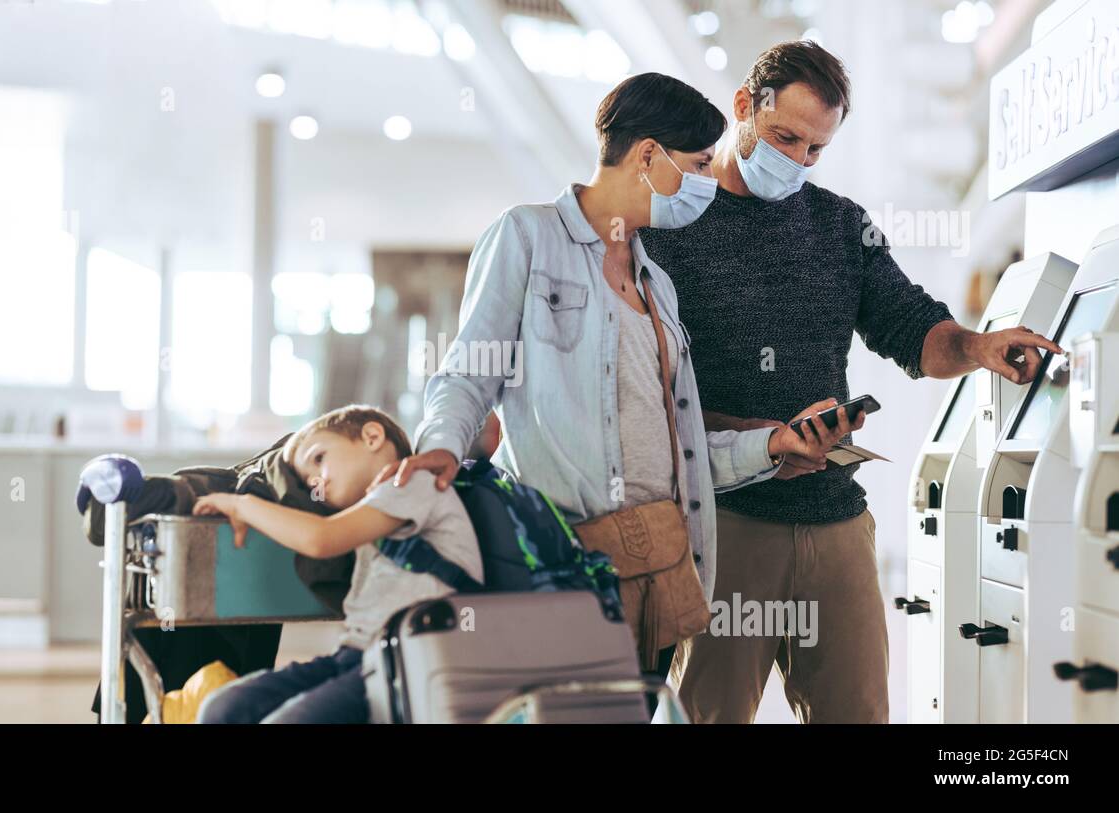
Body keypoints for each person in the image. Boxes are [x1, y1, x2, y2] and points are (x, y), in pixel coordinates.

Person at [377, 72, 860, 677]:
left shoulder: (658, 283)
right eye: (701, 164)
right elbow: (470, 373)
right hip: (558, 560)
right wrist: (439, 448)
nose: (711, 182)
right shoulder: (527, 237)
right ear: (650, 156)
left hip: (652, 570)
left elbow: (674, 448)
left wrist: (773, 446)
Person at [639, 40, 1064, 723]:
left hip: (835, 524)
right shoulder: (668, 230)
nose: (800, 160)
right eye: (786, 138)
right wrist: (768, 439)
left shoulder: (839, 225)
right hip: (725, 530)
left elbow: (911, 328)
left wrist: (979, 346)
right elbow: (652, 402)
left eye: (816, 149)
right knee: (705, 717)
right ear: (745, 106)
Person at [191, 404, 482, 724]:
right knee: (223, 709)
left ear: (372, 436)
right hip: (356, 655)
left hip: (410, 659)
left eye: (319, 459)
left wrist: (243, 505)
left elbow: (321, 539)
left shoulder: (413, 483)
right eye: (307, 480)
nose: (316, 482)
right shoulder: (370, 512)